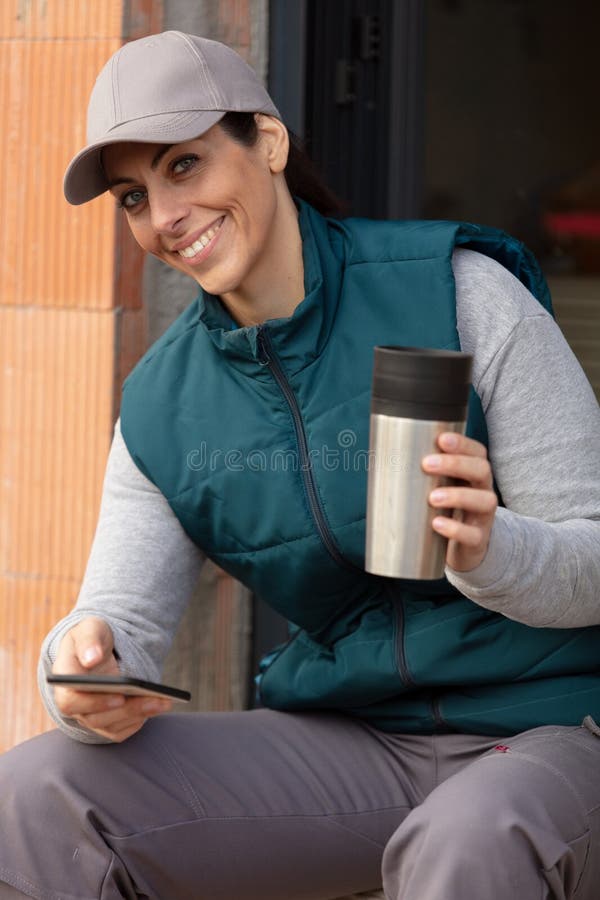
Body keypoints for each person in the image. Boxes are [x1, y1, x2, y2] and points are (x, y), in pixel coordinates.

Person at [1, 29, 599, 900]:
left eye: (183, 166)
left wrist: (490, 552)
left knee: (468, 840)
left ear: (269, 143)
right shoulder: (164, 406)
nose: (164, 216)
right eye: (133, 196)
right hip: (357, 746)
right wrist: (82, 675)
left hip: (552, 728)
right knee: (35, 793)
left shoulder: (459, 293)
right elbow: (117, 621)